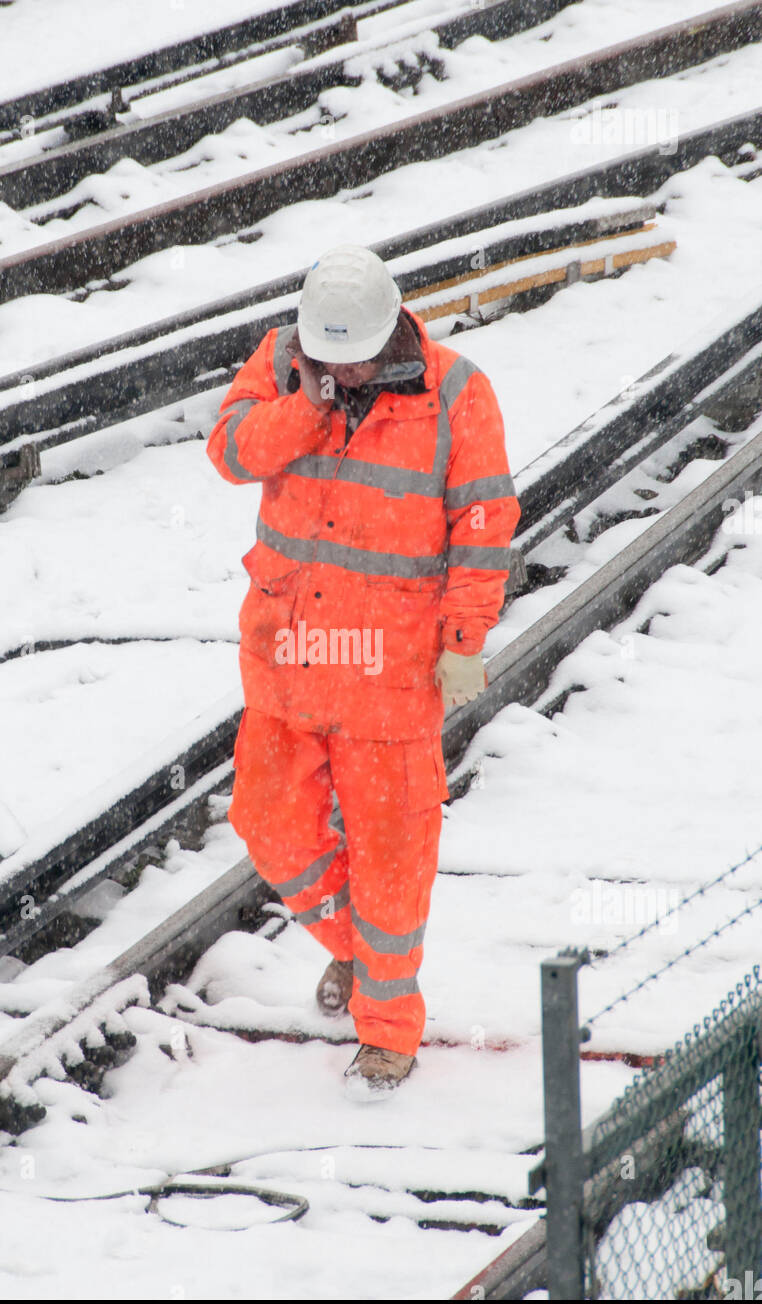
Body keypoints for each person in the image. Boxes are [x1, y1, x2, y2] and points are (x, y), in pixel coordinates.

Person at [207, 244, 520, 1096]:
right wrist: (304, 409)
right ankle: (352, 951)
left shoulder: (457, 394)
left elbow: (483, 521)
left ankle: (387, 1029)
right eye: (326, 355)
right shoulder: (282, 362)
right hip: (289, 660)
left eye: (352, 358)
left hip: (390, 679)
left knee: (391, 860)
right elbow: (230, 451)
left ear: (391, 336)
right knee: (269, 823)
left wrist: (463, 639)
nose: (338, 369)